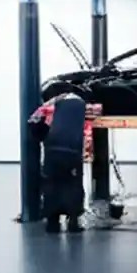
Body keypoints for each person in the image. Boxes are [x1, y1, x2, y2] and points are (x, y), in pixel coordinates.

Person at [29, 94, 87, 233]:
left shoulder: (53, 104)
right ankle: (73, 222)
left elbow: (33, 121)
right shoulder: (81, 104)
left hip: (52, 149)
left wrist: (43, 137)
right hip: (72, 149)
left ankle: (52, 222)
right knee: (73, 185)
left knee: (51, 184)